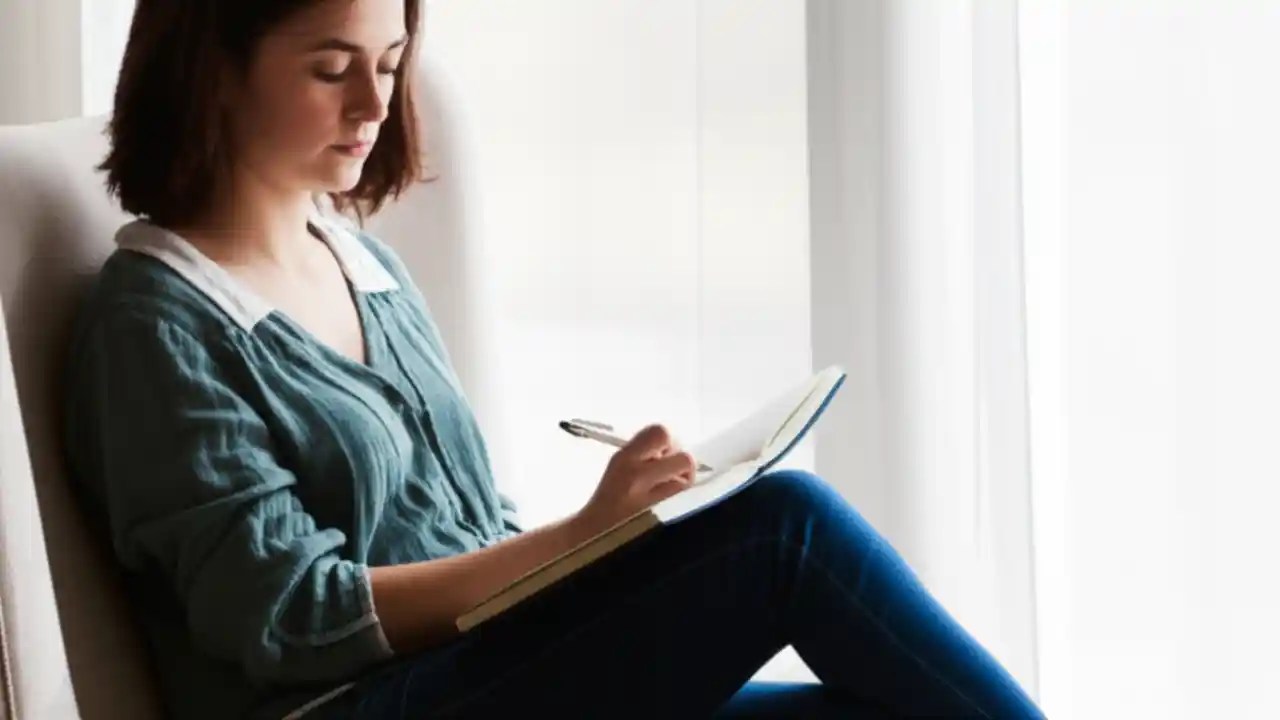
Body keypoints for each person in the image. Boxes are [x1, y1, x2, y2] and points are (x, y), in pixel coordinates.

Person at [60, 0, 1047, 718]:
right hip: (355, 705)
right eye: (330, 69)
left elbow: (468, 526)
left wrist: (618, 541)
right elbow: (291, 616)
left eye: (390, 63)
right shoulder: (156, 325)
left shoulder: (365, 267)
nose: (373, 102)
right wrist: (582, 538)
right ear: (214, 70)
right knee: (785, 529)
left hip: (482, 676)